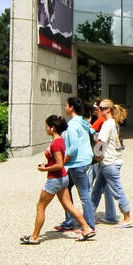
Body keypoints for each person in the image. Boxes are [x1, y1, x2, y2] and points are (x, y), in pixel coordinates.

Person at [21, 115, 94, 243]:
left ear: (52, 128)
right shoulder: (60, 140)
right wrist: (47, 165)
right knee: (68, 205)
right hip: (63, 177)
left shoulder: (56, 143)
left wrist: (45, 169)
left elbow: (60, 164)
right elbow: (57, 162)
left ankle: (34, 237)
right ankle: (87, 228)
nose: (46, 129)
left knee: (40, 206)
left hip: (55, 179)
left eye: (47, 127)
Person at [53, 97, 96, 232]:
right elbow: (92, 132)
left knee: (83, 195)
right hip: (84, 161)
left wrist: (62, 162)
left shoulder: (72, 124)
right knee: (66, 190)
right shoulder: (83, 121)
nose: (65, 108)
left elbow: (73, 147)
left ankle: (88, 226)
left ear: (71, 107)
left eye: (66, 106)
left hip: (76, 163)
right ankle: (71, 221)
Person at [91, 99, 133, 228]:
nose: (99, 109)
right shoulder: (113, 123)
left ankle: (127, 218)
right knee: (96, 191)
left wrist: (94, 158)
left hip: (109, 164)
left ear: (108, 109)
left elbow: (100, 143)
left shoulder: (107, 125)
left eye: (102, 107)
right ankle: (88, 218)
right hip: (110, 163)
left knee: (117, 191)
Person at [88, 97, 116, 223]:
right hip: (108, 158)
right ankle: (110, 215)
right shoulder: (111, 121)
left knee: (91, 185)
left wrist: (96, 156)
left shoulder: (102, 120)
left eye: (97, 108)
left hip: (101, 158)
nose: (95, 110)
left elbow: (92, 133)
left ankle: (88, 216)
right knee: (104, 187)